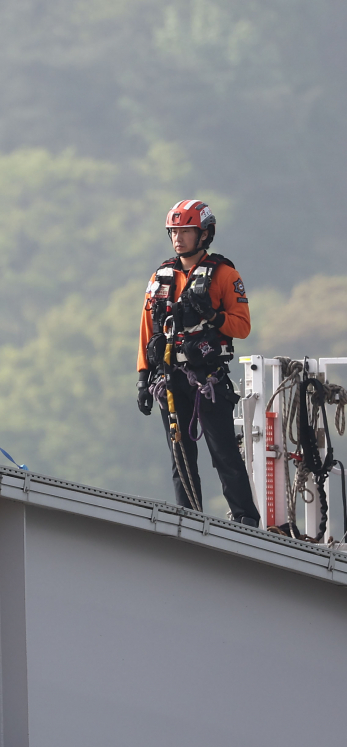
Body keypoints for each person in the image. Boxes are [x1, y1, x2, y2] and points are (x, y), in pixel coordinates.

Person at [137, 201, 259, 525]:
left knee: (224, 454)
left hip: (208, 380)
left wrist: (212, 316)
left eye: (186, 231)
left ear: (204, 234)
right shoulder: (160, 276)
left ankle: (246, 519)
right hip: (168, 380)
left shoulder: (224, 274)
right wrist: (142, 379)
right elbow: (147, 331)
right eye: (174, 231)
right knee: (180, 458)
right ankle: (188, 521)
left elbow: (242, 326)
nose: (179, 238)